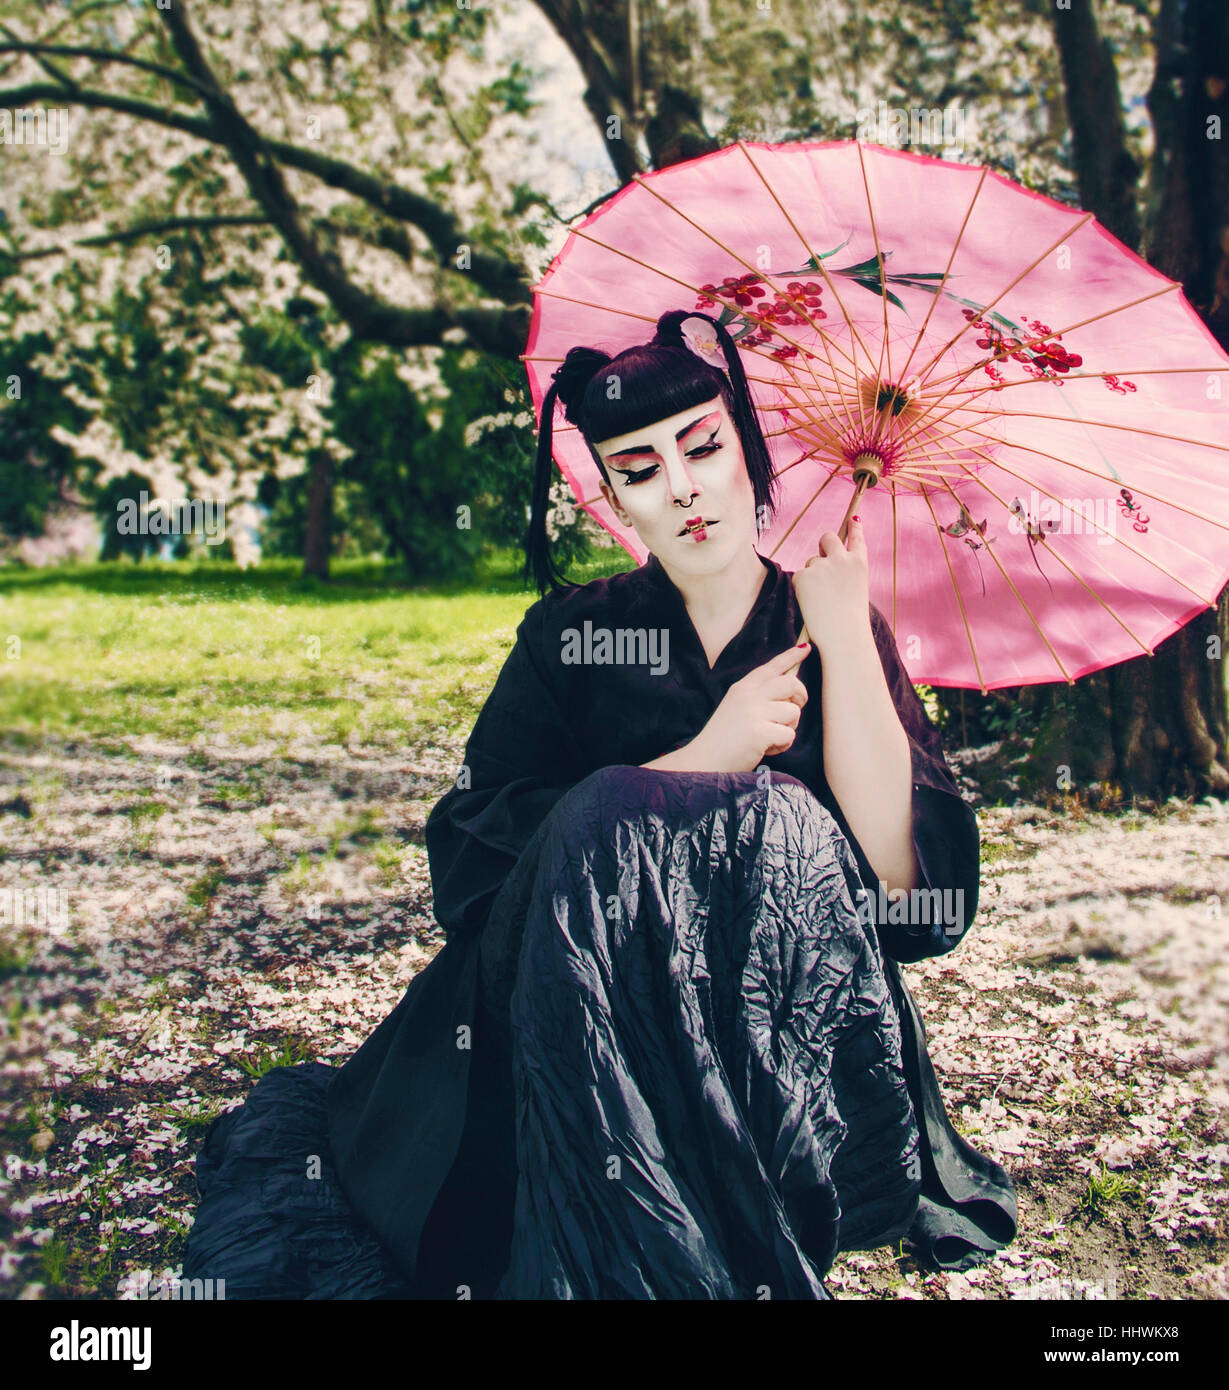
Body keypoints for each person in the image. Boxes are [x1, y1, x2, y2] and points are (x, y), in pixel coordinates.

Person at [180, 308, 1016, 1300]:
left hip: (772, 1034)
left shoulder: (832, 617)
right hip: (576, 1025)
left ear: (745, 452)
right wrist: (701, 757)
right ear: (612, 498)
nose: (683, 488)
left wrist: (842, 642)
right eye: (640, 468)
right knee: (605, 812)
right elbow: (480, 866)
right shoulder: (567, 640)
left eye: (702, 448)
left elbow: (892, 884)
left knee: (780, 826)